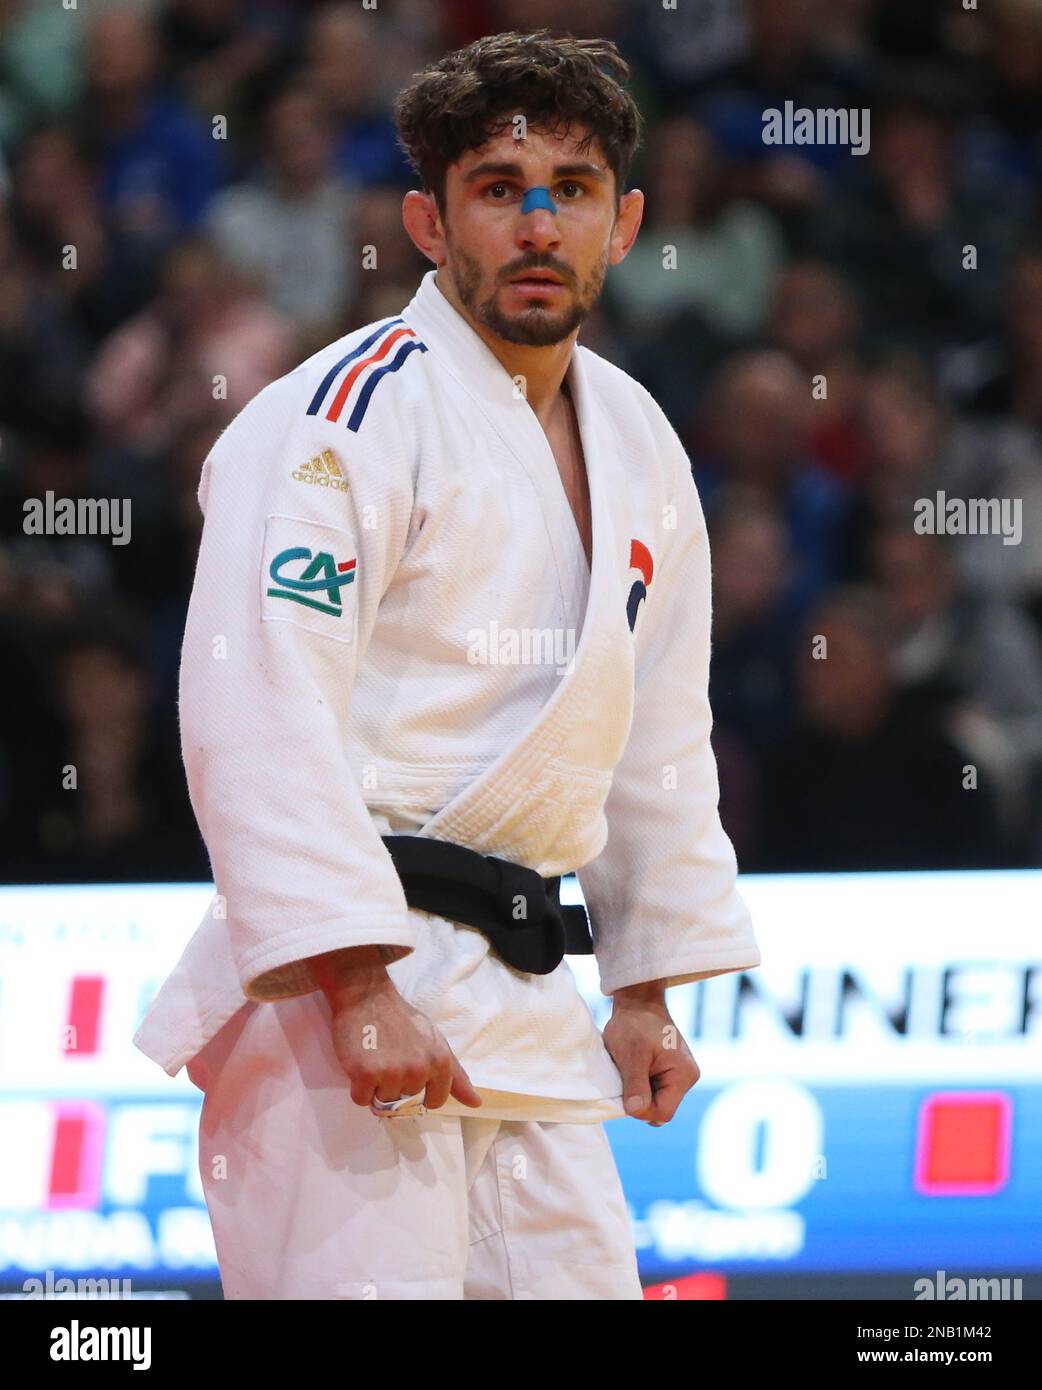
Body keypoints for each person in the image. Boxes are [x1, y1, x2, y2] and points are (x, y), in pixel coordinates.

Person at [133, 29, 760, 1301]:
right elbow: (258, 709)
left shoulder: (640, 438)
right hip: (340, 999)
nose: (538, 225)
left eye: (570, 191)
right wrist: (355, 983)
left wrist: (643, 981)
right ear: (429, 220)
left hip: (528, 1003)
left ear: (624, 222)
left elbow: (650, 734)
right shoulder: (338, 418)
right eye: (498, 189)